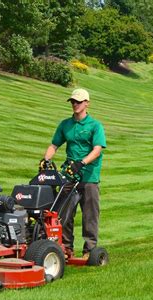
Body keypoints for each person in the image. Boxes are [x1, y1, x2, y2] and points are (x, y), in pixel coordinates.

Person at [40, 88, 106, 258]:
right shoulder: (65, 124)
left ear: (87, 103)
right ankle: (66, 247)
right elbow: (54, 145)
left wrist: (81, 162)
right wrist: (45, 160)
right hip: (69, 174)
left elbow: (97, 150)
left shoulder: (95, 125)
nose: (75, 104)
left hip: (89, 176)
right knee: (64, 212)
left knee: (90, 214)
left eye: (79, 101)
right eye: (73, 102)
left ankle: (89, 249)